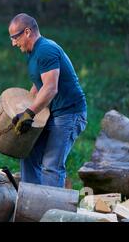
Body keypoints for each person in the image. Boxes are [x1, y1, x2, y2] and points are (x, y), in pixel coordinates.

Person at [8, 13, 87, 188]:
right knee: (29, 156)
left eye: (15, 37)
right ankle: (29, 206)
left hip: (69, 113)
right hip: (53, 113)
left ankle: (50, 211)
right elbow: (38, 86)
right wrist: (24, 111)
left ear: (27, 32)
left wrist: (29, 113)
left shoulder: (45, 49)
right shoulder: (33, 53)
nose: (13, 43)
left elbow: (51, 87)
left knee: (51, 166)